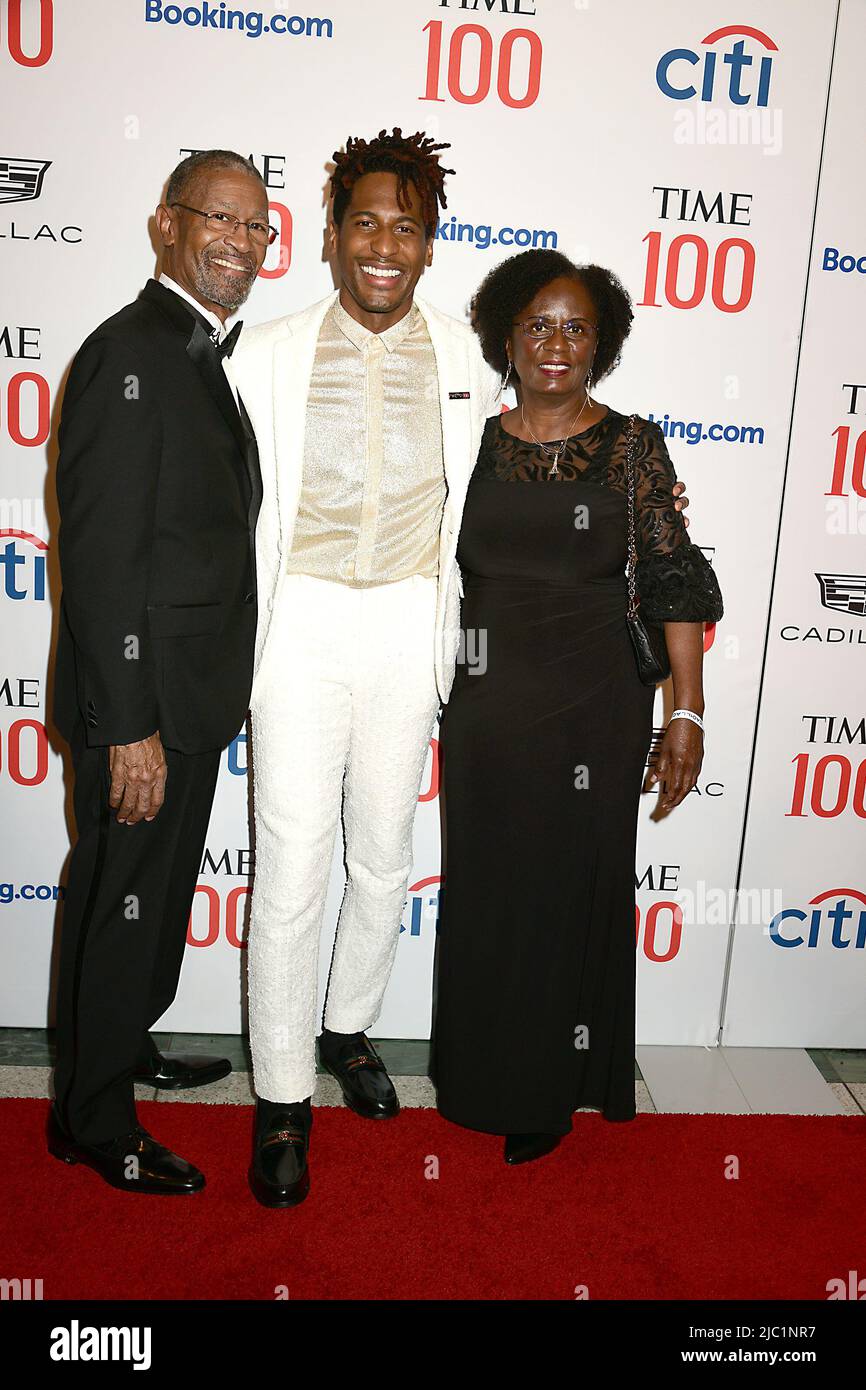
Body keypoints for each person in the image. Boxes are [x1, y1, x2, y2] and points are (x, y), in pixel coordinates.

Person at [230, 130, 693, 1208]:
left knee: (384, 861)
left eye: (407, 226)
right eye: (365, 223)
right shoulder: (265, 351)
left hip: (410, 630)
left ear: (429, 246)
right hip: (297, 624)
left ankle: (347, 1030)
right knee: (294, 866)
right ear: (332, 234)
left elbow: (582, 520)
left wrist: (682, 704)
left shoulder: (457, 356)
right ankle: (283, 1098)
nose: (384, 245)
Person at [431, 249, 723, 1165]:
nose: (556, 344)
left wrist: (686, 713)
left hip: (594, 699)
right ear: (504, 338)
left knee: (565, 893)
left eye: (577, 327)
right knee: (488, 891)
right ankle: (479, 1072)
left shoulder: (634, 446)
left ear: (604, 342)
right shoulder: (467, 441)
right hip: (483, 701)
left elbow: (673, 579)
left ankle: (547, 1093)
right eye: (537, 326)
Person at [49, 150, 271, 1194]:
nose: (240, 240)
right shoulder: (132, 353)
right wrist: (126, 721)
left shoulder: (196, 356)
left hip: (186, 703)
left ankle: (120, 1049)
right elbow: (98, 560)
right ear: (165, 225)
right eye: (218, 218)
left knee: (149, 902)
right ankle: (92, 1121)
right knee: (119, 902)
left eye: (256, 227)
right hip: (139, 709)